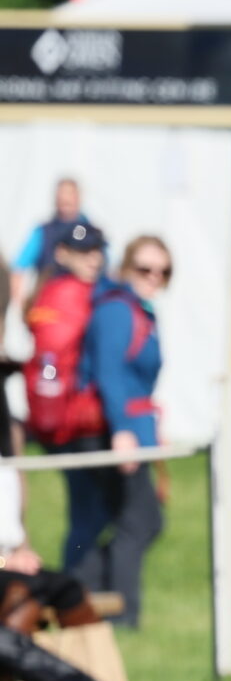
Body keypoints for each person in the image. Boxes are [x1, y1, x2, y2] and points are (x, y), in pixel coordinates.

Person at [58, 235, 169, 628]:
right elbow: (109, 372)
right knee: (135, 521)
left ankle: (79, 594)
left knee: (123, 521)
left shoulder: (137, 309)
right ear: (125, 267)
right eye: (145, 269)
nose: (154, 277)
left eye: (163, 271)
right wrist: (124, 431)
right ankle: (116, 614)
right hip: (110, 432)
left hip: (126, 429)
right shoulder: (117, 311)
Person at [13, 178, 94, 326]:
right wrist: (24, 306)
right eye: (61, 196)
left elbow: (109, 271)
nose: (65, 200)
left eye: (69, 195)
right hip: (49, 311)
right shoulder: (43, 232)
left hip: (83, 312)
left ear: (79, 198)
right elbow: (18, 270)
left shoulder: (92, 232)